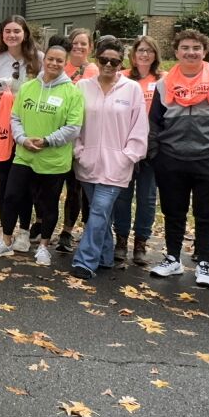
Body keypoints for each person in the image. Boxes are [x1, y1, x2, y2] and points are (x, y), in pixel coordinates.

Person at [147, 30, 209, 287]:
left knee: (206, 215)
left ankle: (204, 263)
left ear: (205, 51)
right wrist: (155, 154)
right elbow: (154, 121)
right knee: (173, 212)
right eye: (185, 48)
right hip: (171, 158)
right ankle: (172, 258)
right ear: (176, 52)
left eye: (196, 48)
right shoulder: (164, 84)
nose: (191, 52)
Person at [0, 38, 83, 265]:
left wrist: (46, 141)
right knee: (11, 196)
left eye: (59, 61)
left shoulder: (72, 93)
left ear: (65, 63)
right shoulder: (28, 87)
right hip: (24, 155)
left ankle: (43, 246)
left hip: (53, 159)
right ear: (44, 60)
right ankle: (6, 240)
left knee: (48, 204)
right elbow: (15, 117)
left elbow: (73, 127)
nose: (53, 63)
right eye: (50, 59)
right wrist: (22, 139)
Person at [70, 36, 150, 279]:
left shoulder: (132, 89)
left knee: (99, 210)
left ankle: (85, 261)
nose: (108, 65)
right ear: (97, 59)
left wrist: (128, 156)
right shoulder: (82, 87)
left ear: (121, 63)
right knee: (99, 212)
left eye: (114, 62)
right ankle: (105, 255)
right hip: (87, 163)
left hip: (117, 166)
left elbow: (139, 127)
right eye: (104, 60)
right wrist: (78, 151)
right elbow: (73, 123)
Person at [0, 16, 39, 249]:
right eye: (7, 31)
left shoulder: (38, 58)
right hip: (0, 125)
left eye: (16, 31)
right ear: (2, 34)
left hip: (28, 126)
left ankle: (24, 232)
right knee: (4, 179)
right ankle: (5, 231)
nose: (12, 35)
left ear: (25, 33)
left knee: (25, 180)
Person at [112, 35, 162, 266]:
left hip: (152, 147)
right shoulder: (121, 77)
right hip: (124, 145)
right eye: (140, 50)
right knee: (122, 195)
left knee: (147, 197)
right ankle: (121, 240)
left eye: (149, 50)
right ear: (133, 54)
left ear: (155, 55)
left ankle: (141, 242)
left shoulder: (162, 79)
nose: (144, 54)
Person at [53, 28, 95, 253]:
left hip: (85, 136)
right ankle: (53, 227)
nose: (78, 47)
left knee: (80, 188)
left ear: (90, 47)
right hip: (59, 134)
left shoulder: (95, 70)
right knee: (59, 186)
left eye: (83, 43)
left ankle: (77, 231)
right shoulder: (60, 66)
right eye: (75, 43)